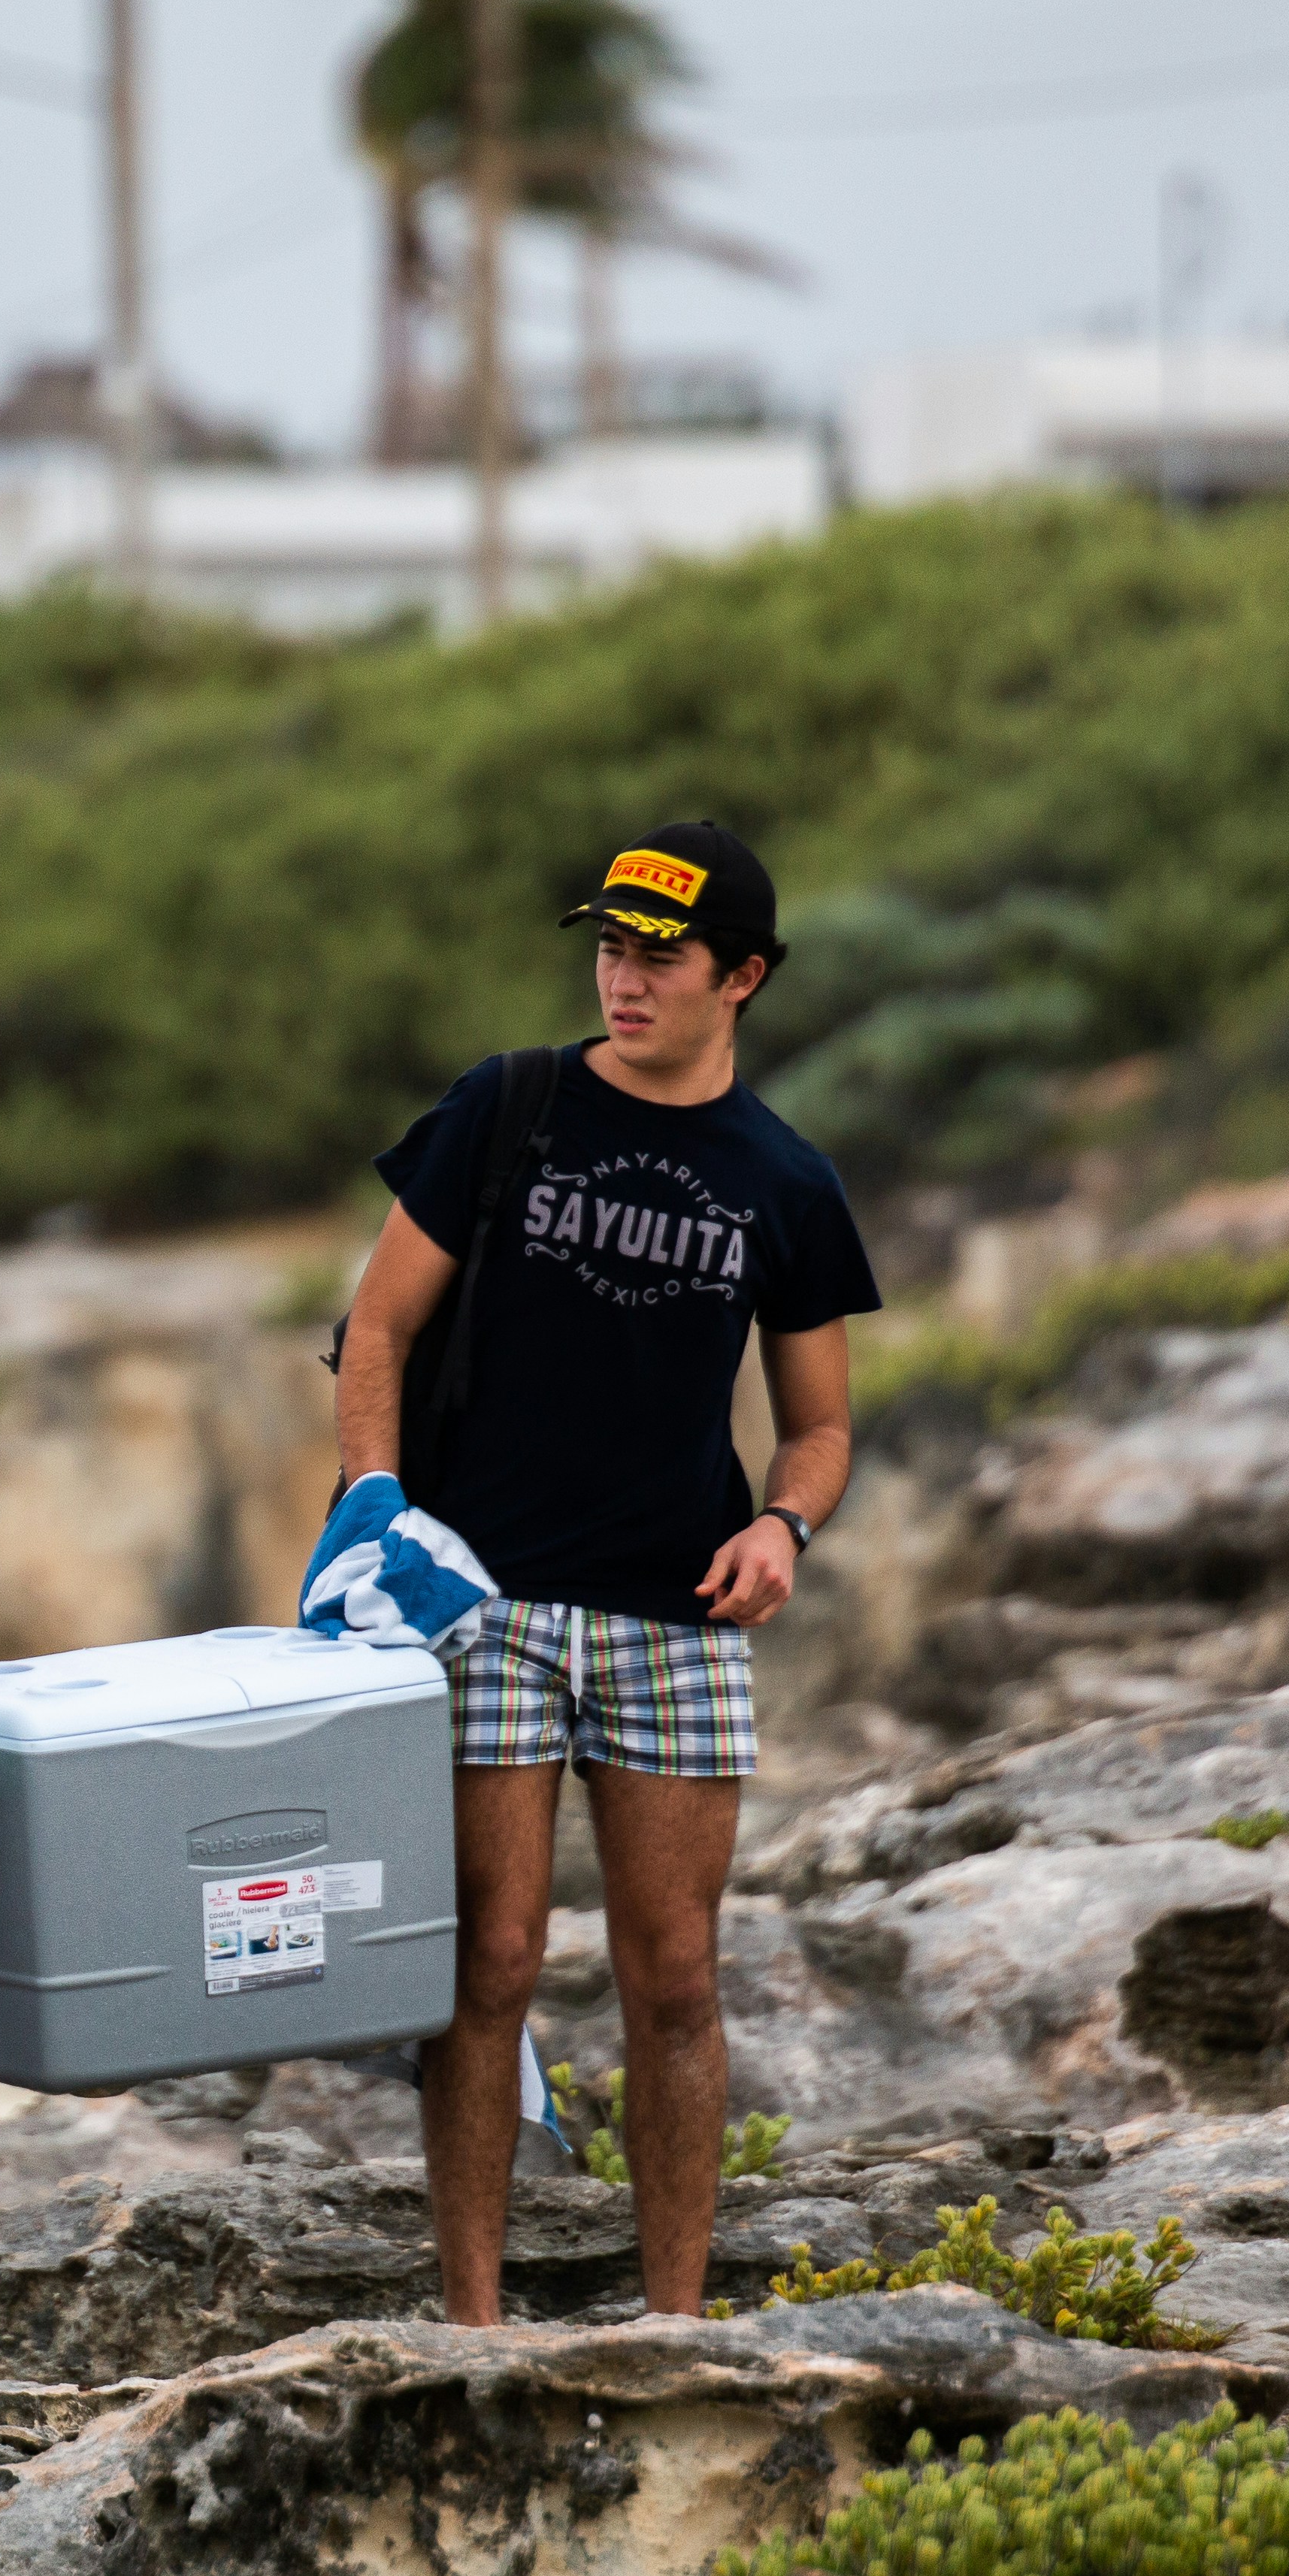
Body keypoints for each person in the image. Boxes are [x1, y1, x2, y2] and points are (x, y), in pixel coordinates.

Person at [331, 821, 878, 2323]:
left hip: (676, 1617)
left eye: (662, 956)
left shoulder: (787, 1180)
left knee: (677, 1980)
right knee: (491, 1960)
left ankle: (677, 2322)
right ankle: (474, 2324)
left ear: (745, 977)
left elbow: (821, 1428)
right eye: (610, 947)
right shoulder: (505, 1108)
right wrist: (374, 1499)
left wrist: (785, 1528)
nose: (624, 980)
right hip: (485, 1602)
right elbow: (374, 1330)